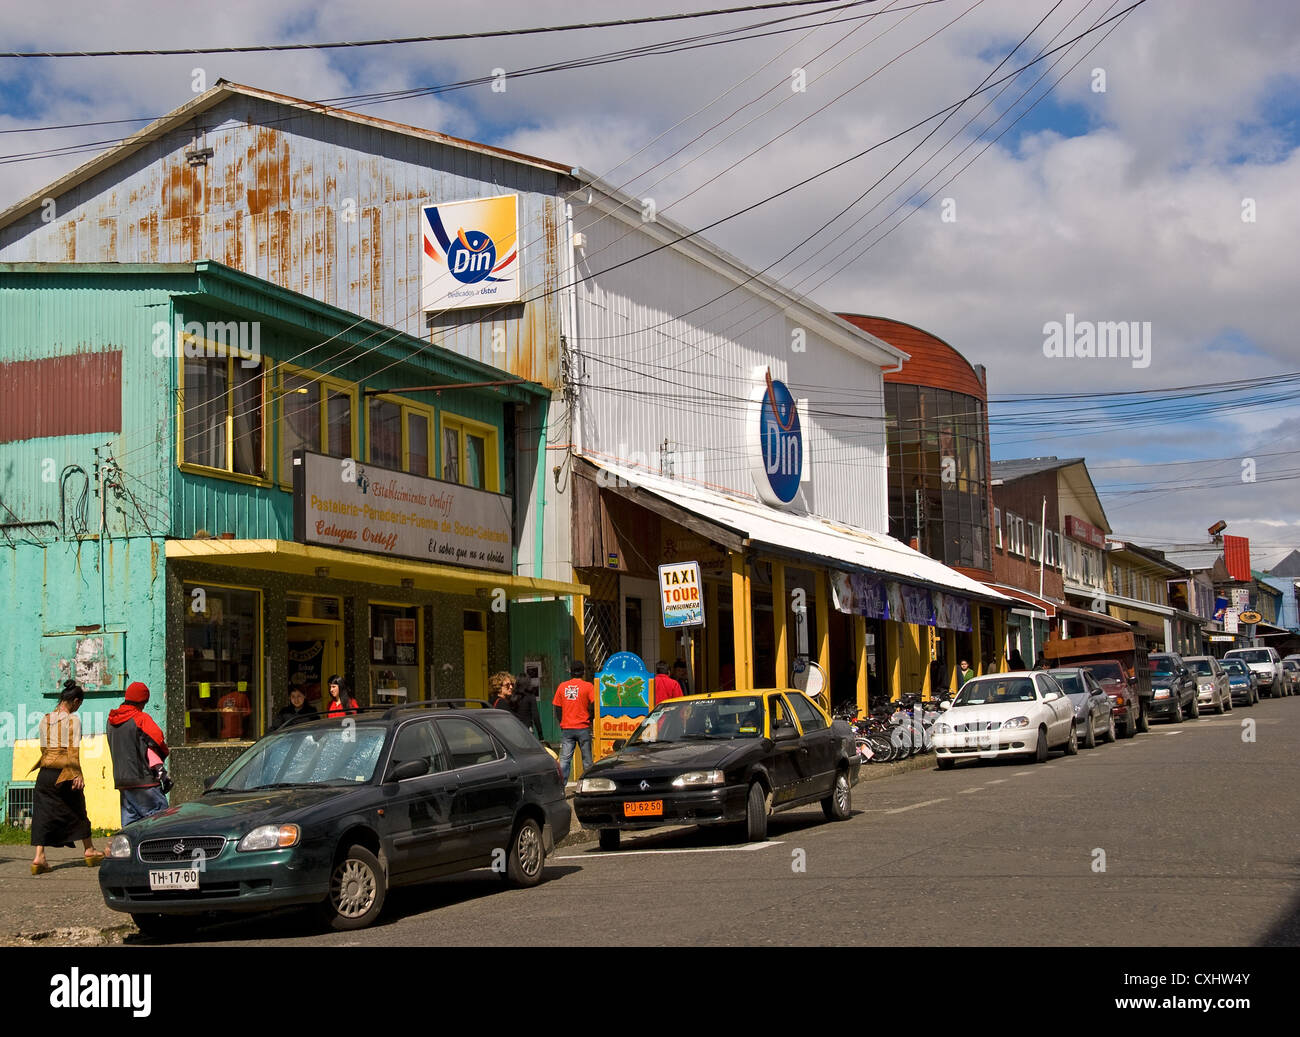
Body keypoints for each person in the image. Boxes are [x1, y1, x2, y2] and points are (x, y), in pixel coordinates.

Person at [29, 680, 104, 874]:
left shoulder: (45, 719)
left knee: (42, 813)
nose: (78, 708)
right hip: (64, 772)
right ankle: (89, 850)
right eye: (79, 704)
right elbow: (73, 750)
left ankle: (39, 857)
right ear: (76, 701)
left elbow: (44, 748)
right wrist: (77, 774)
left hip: (45, 772)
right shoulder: (73, 720)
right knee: (77, 808)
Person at [107, 681, 170, 827]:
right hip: (144, 781)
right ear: (142, 701)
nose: (144, 706)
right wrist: (160, 758)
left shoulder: (110, 721)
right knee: (160, 823)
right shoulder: (140, 718)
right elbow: (158, 740)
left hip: (123, 781)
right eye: (144, 703)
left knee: (131, 827)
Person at [552, 661, 596, 784]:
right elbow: (594, 705)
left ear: (570, 672)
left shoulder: (562, 686)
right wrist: (590, 718)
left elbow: (557, 707)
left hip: (567, 728)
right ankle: (588, 784)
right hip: (583, 727)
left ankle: (561, 787)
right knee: (587, 760)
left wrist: (562, 722)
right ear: (583, 672)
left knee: (565, 760)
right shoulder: (588, 686)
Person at [490, 671, 543, 739]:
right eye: (507, 685)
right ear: (499, 687)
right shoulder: (502, 703)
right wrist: (541, 735)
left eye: (512, 684)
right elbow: (509, 725)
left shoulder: (494, 700)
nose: (511, 687)